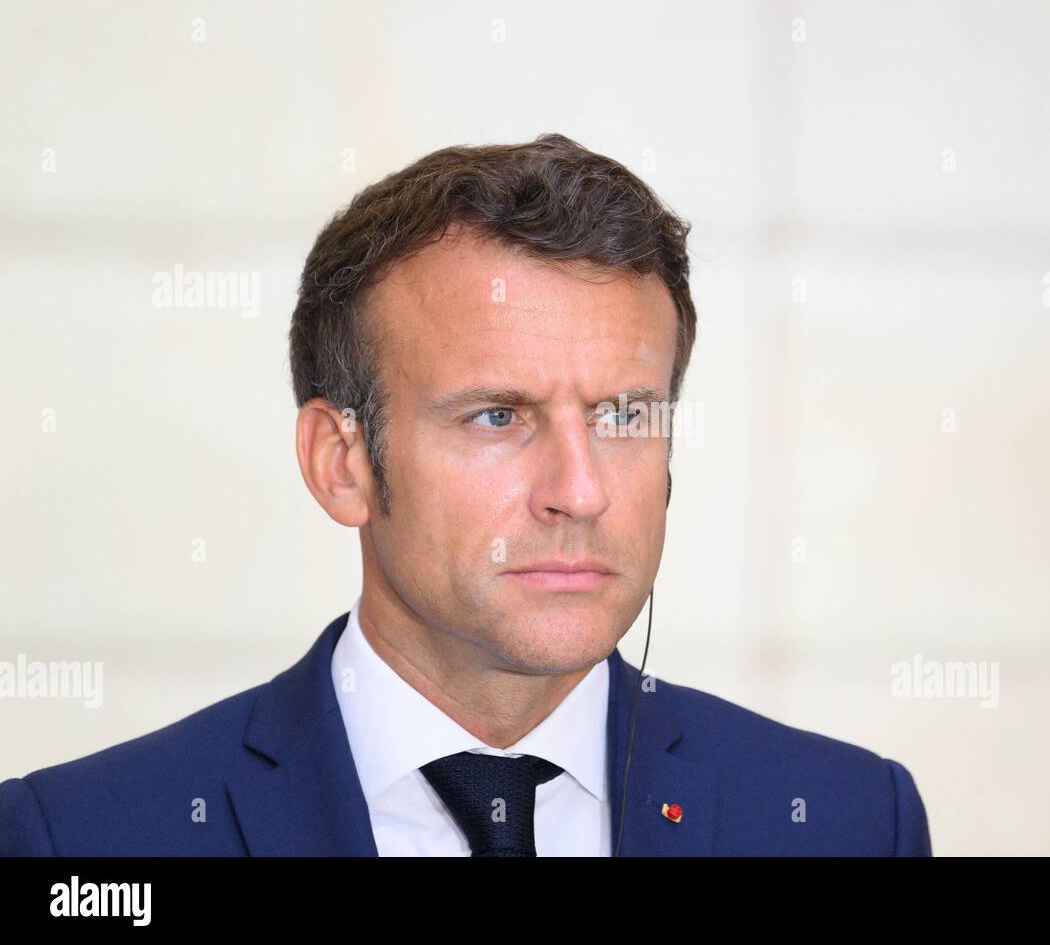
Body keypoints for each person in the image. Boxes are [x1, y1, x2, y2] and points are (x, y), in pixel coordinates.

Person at [0, 134, 931, 856]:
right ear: (342, 462)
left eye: (622, 417)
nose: (580, 492)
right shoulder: (82, 838)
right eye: (497, 416)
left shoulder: (845, 821)